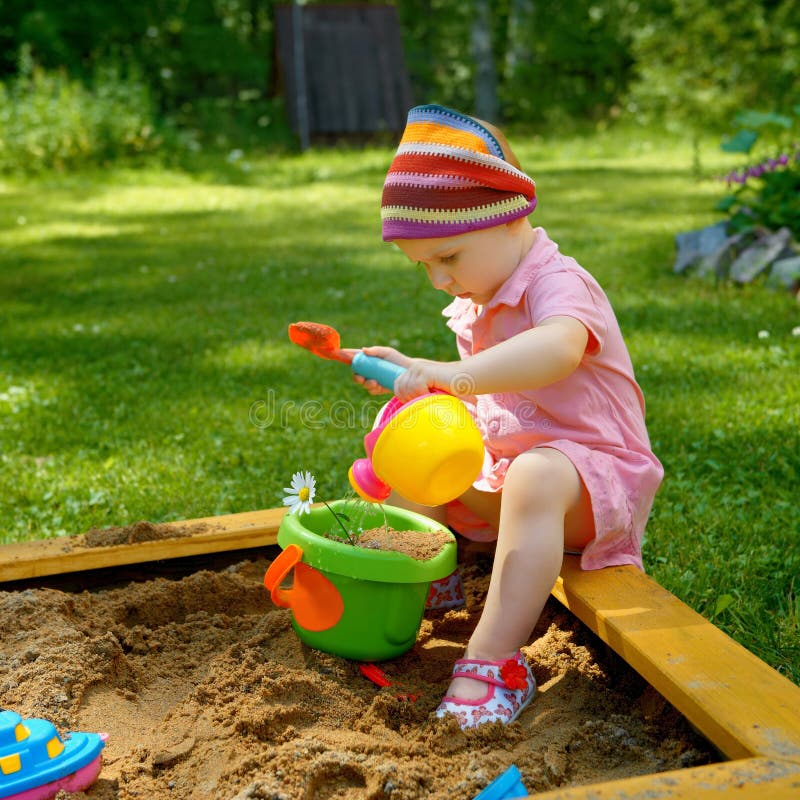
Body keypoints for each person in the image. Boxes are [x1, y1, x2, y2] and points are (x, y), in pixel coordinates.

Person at [353, 104, 664, 730]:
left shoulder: (560, 282)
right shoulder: (484, 290)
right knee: (415, 436)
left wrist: (452, 372)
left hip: (591, 488)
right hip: (512, 477)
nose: (439, 280)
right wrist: (416, 373)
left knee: (535, 475)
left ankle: (494, 663)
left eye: (449, 258)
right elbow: (489, 399)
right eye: (425, 268)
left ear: (508, 217)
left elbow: (556, 351)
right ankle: (420, 579)